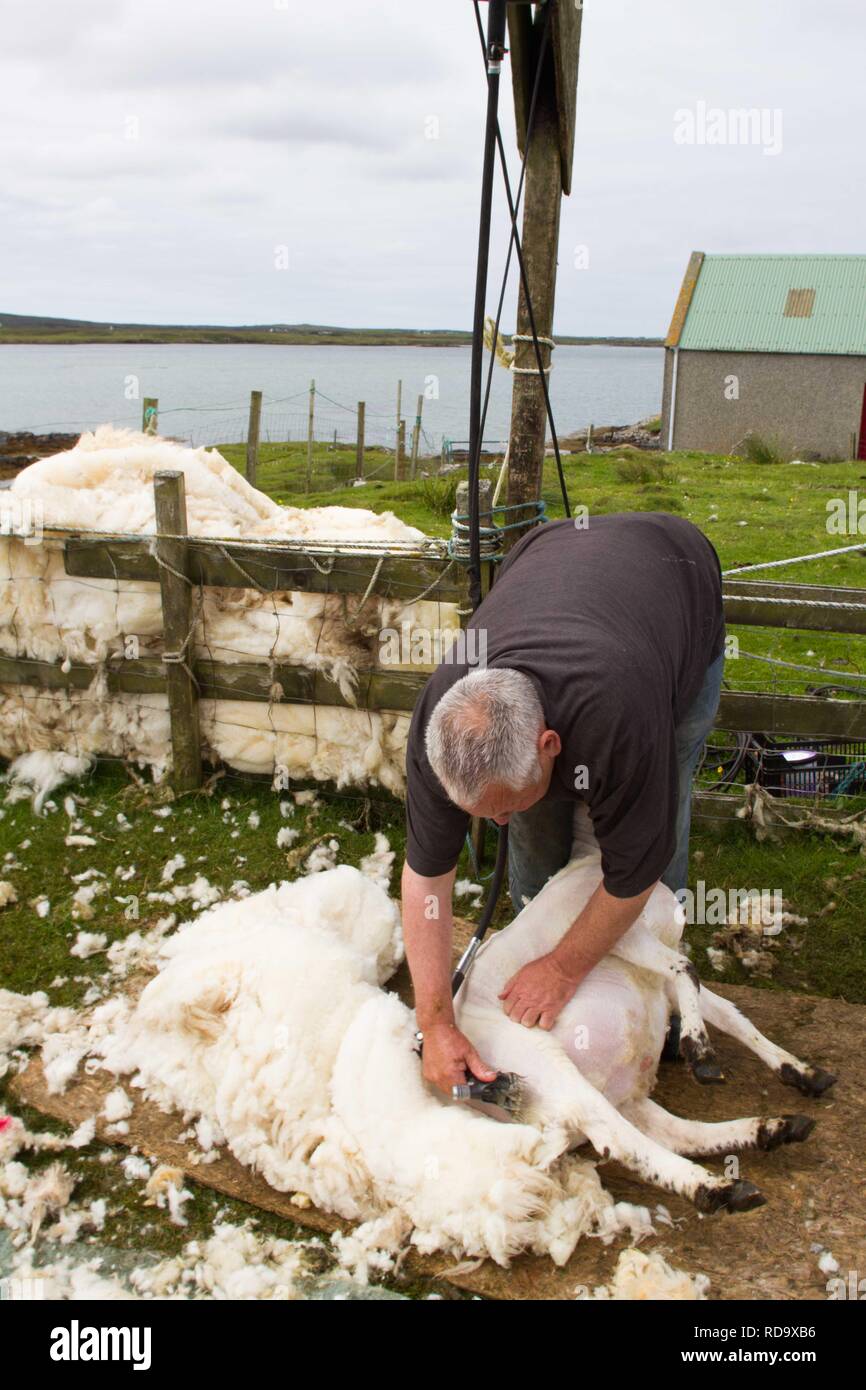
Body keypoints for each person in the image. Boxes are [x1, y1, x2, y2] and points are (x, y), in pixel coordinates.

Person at [401, 511, 725, 1097]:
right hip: (551, 556)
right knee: (531, 822)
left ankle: (665, 995)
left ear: (549, 744)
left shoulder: (621, 713)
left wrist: (561, 968)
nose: (494, 822)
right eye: (482, 812)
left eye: (501, 805)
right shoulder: (440, 725)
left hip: (675, 578)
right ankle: (550, 966)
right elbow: (426, 882)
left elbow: (634, 871)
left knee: (660, 812)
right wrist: (435, 1020)